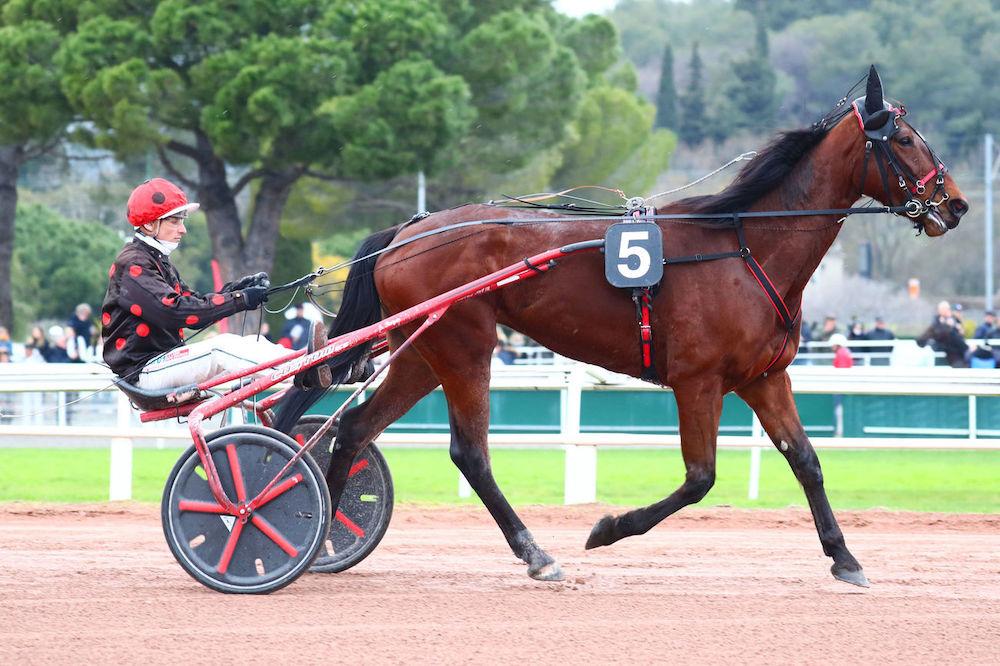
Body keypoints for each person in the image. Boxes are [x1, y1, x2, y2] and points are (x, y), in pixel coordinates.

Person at [102, 178, 330, 391]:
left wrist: (236, 290)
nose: (183, 229)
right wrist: (241, 300)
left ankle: (315, 363)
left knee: (250, 342)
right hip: (145, 371)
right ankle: (303, 372)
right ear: (150, 224)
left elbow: (194, 303)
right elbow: (178, 312)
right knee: (222, 347)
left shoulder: (155, 259)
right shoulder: (133, 263)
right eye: (174, 221)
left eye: (182, 220)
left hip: (161, 363)